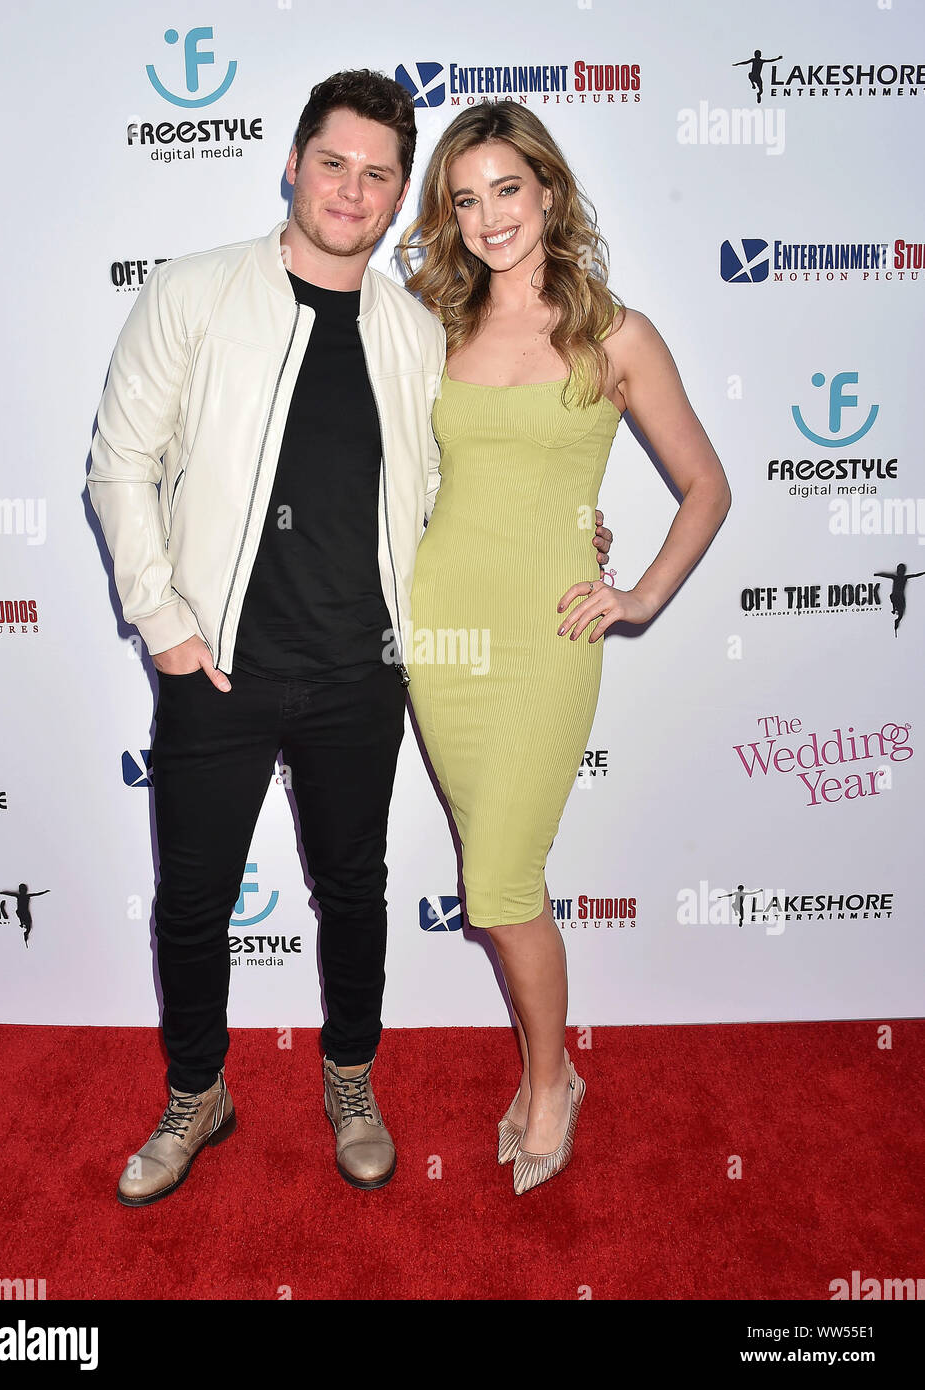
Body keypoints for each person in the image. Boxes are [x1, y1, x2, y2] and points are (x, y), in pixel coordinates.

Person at [88, 65, 618, 1206]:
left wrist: (577, 525)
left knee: (356, 889)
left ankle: (351, 1081)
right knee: (190, 900)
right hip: (218, 664)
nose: (352, 188)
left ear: (393, 201)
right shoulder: (195, 292)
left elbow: (467, 476)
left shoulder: (418, 330)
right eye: (333, 162)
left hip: (365, 671)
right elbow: (120, 464)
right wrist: (164, 622)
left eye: (379, 174)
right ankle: (196, 1095)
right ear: (292, 164)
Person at [398, 104, 731, 1194]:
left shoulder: (613, 333)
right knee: (499, 879)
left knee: (498, 887)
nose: (488, 216)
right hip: (440, 629)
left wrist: (635, 596)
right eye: (464, 197)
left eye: (506, 189)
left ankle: (551, 1080)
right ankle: (555, 1066)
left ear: (547, 190)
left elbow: (707, 485)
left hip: (547, 633)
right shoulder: (427, 323)